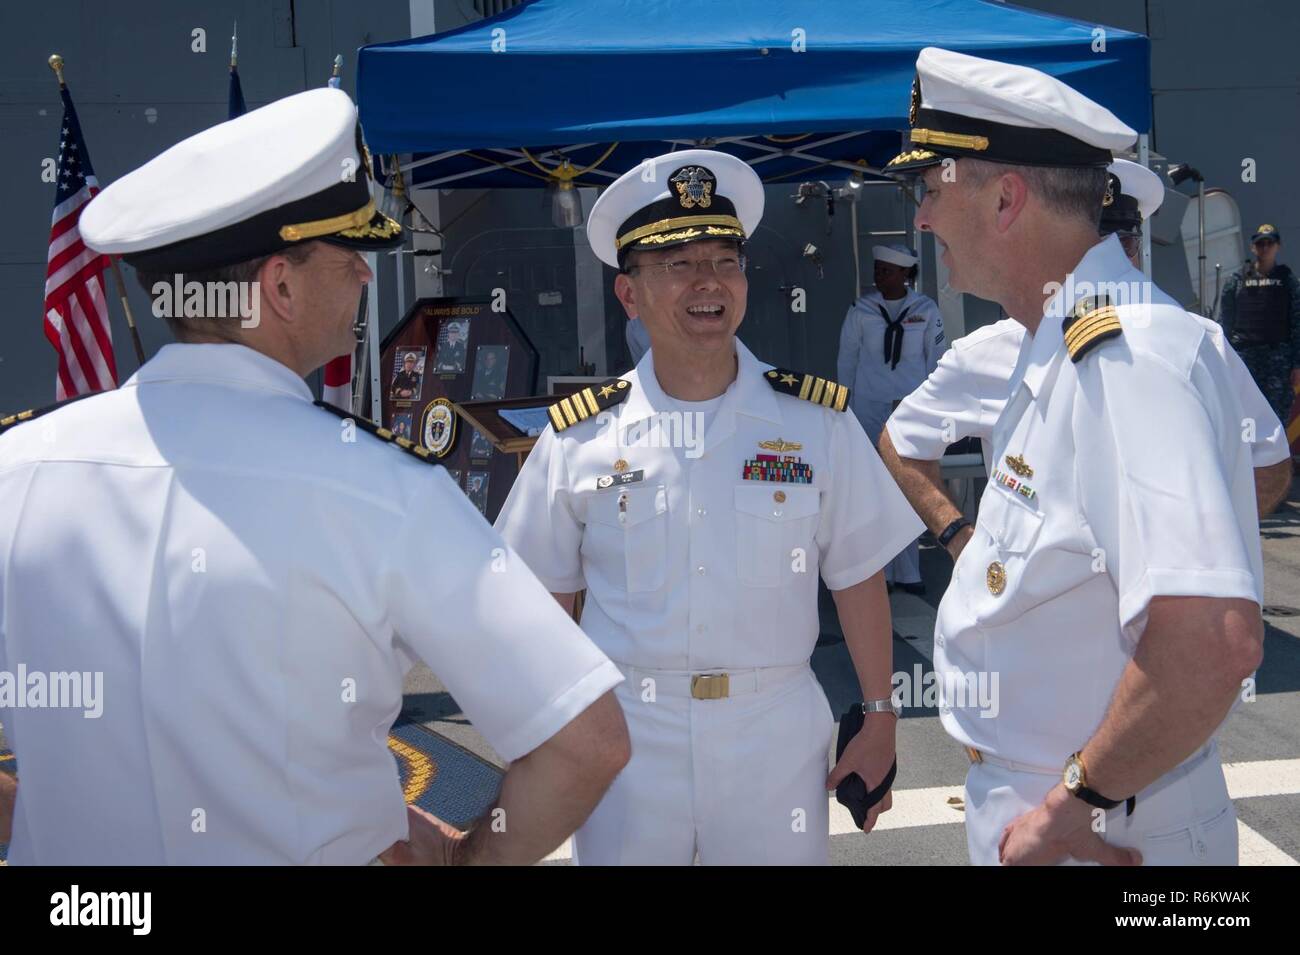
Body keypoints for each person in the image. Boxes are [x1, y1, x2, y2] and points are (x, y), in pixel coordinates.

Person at [0, 87, 628, 865]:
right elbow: (587, 742)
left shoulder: (16, 470)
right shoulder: (380, 488)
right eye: (349, 256)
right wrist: (464, 859)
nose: (367, 280)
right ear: (280, 285)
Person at [882, 48, 1264, 865]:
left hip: (1110, 828)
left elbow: (1213, 639)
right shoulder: (1053, 343)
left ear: (1006, 198)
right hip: (1068, 810)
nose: (921, 219)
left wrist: (1070, 808)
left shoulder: (1124, 358)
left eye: (930, 189)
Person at [494, 149, 924, 865]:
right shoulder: (581, 436)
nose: (708, 283)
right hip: (627, 738)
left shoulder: (813, 422)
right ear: (629, 294)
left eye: (725, 261)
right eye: (678, 264)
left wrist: (879, 716)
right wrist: (541, 732)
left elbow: (857, 574)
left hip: (773, 734)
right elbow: (547, 601)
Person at [881, 158, 1292, 571]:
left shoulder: (1197, 342)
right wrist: (960, 539)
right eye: (1098, 244)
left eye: (1124, 243)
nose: (1114, 259)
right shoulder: (986, 353)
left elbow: (1268, 461)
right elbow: (901, 442)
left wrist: (1198, 547)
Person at [837, 244, 944, 594]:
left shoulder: (925, 310)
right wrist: (845, 408)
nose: (878, 276)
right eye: (877, 269)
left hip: (908, 408)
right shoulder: (861, 310)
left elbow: (937, 360)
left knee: (908, 485)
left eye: (886, 270)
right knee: (874, 488)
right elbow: (847, 359)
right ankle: (880, 572)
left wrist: (930, 407)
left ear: (904, 274)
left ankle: (909, 572)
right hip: (869, 406)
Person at [1219, 223, 1300, 426]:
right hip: (1244, 359)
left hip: (1277, 362)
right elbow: (1225, 323)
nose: (1265, 248)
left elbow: (1297, 323)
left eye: (1269, 243)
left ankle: (1277, 458)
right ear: (1253, 247)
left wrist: (1297, 364)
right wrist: (1223, 359)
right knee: (1245, 418)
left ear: (1277, 246)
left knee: (1277, 419)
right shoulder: (1236, 281)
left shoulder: (1288, 281)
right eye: (1260, 243)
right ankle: (1249, 458)